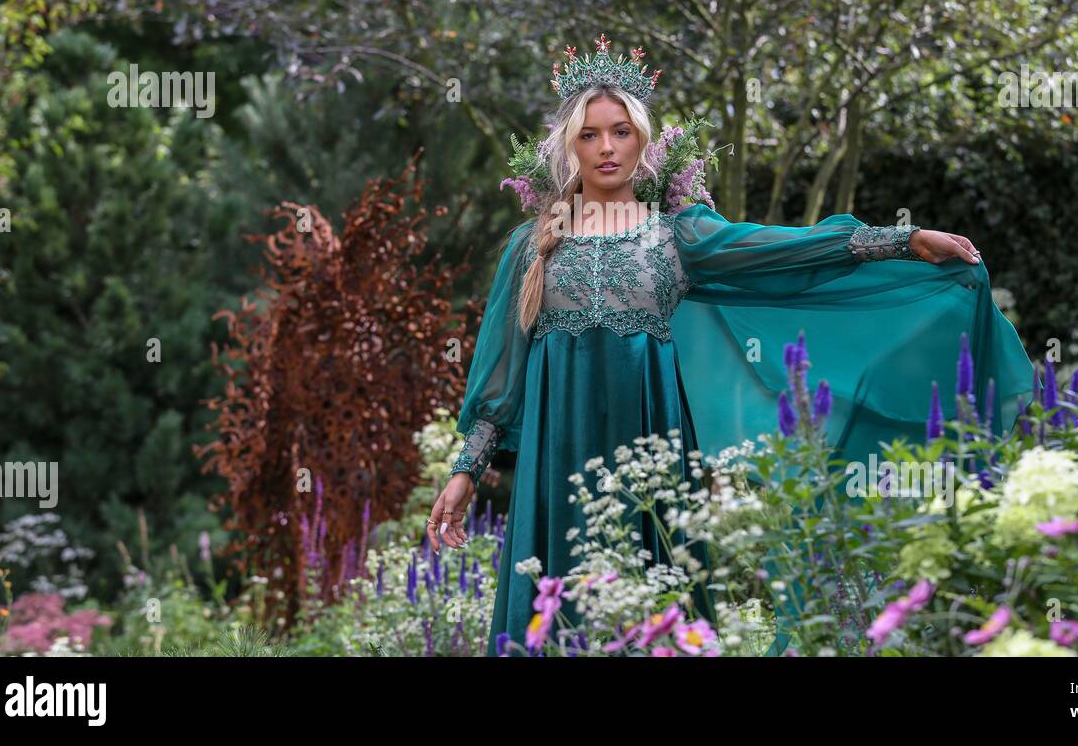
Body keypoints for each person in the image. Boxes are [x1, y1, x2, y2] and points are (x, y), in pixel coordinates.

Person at [425, 34, 1033, 656]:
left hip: (652, 454)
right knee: (558, 611)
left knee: (657, 601)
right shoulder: (532, 247)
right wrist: (465, 471)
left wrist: (903, 241)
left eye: (620, 132)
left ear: (642, 140)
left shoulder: (678, 234)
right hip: (559, 459)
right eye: (589, 135)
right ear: (569, 147)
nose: (606, 148)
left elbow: (783, 252)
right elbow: (500, 372)